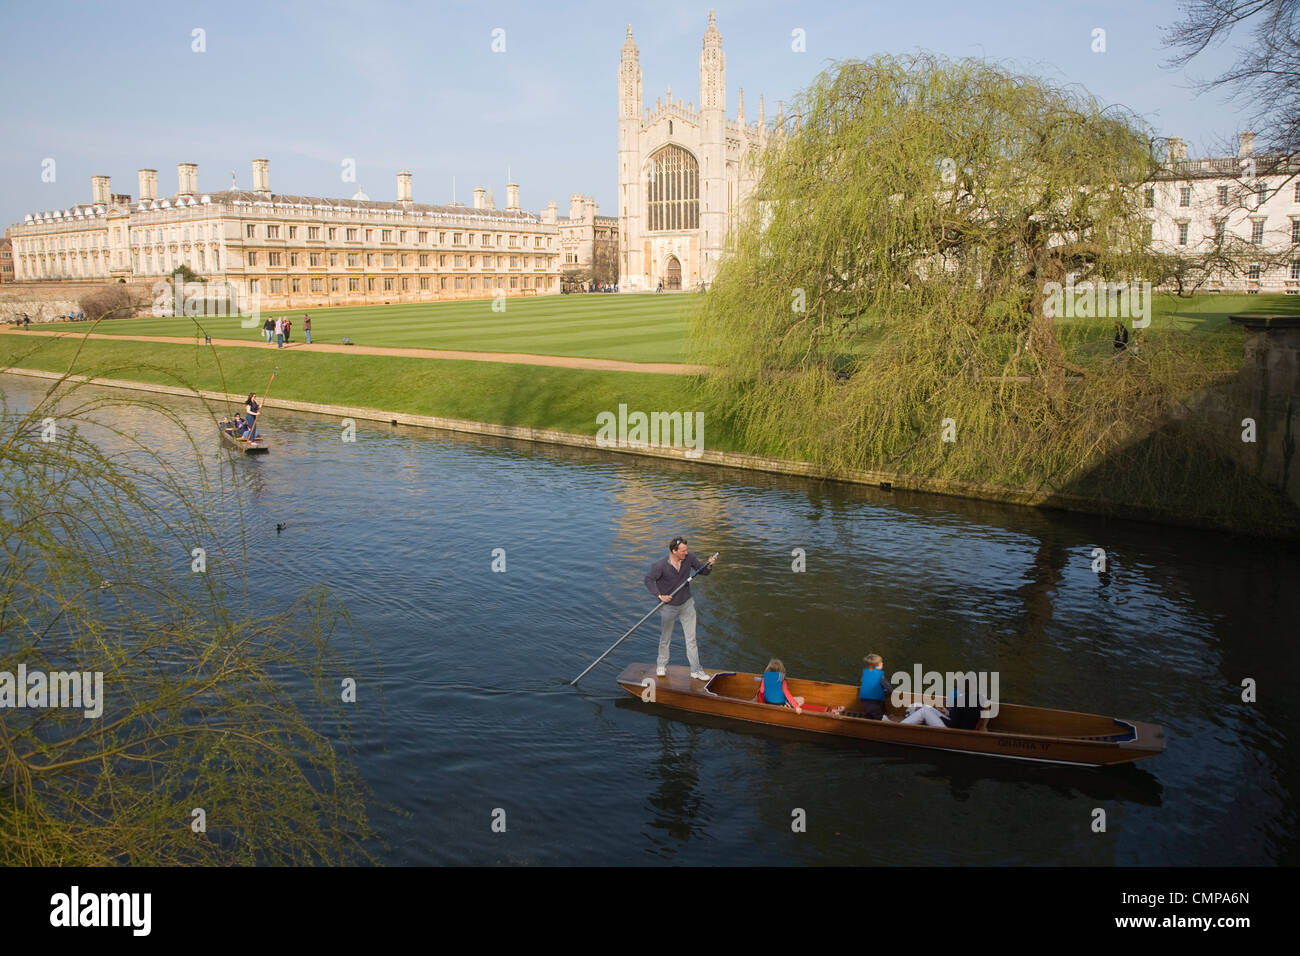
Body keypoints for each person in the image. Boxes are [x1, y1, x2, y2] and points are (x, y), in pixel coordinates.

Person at [644, 536, 718, 680]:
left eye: (686, 550)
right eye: (683, 551)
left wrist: (709, 564)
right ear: (674, 551)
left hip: (687, 604)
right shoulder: (660, 565)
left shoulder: (689, 558)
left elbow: (703, 571)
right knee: (666, 638)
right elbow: (648, 580)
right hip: (668, 607)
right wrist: (660, 595)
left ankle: (696, 670)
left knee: (691, 639)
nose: (686, 552)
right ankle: (661, 665)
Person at [757, 658, 844, 715]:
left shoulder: (765, 679)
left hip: (769, 703)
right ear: (781, 670)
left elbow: (761, 691)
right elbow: (787, 695)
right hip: (780, 705)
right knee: (801, 700)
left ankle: (829, 711)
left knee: (797, 700)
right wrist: (796, 707)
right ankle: (829, 713)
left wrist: (765, 702)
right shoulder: (782, 681)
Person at [858, 653, 893, 720]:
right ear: (877, 666)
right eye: (881, 662)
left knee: (867, 718)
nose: (882, 663)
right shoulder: (880, 677)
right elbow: (890, 689)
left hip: (864, 704)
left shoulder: (865, 675)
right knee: (879, 718)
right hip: (875, 705)